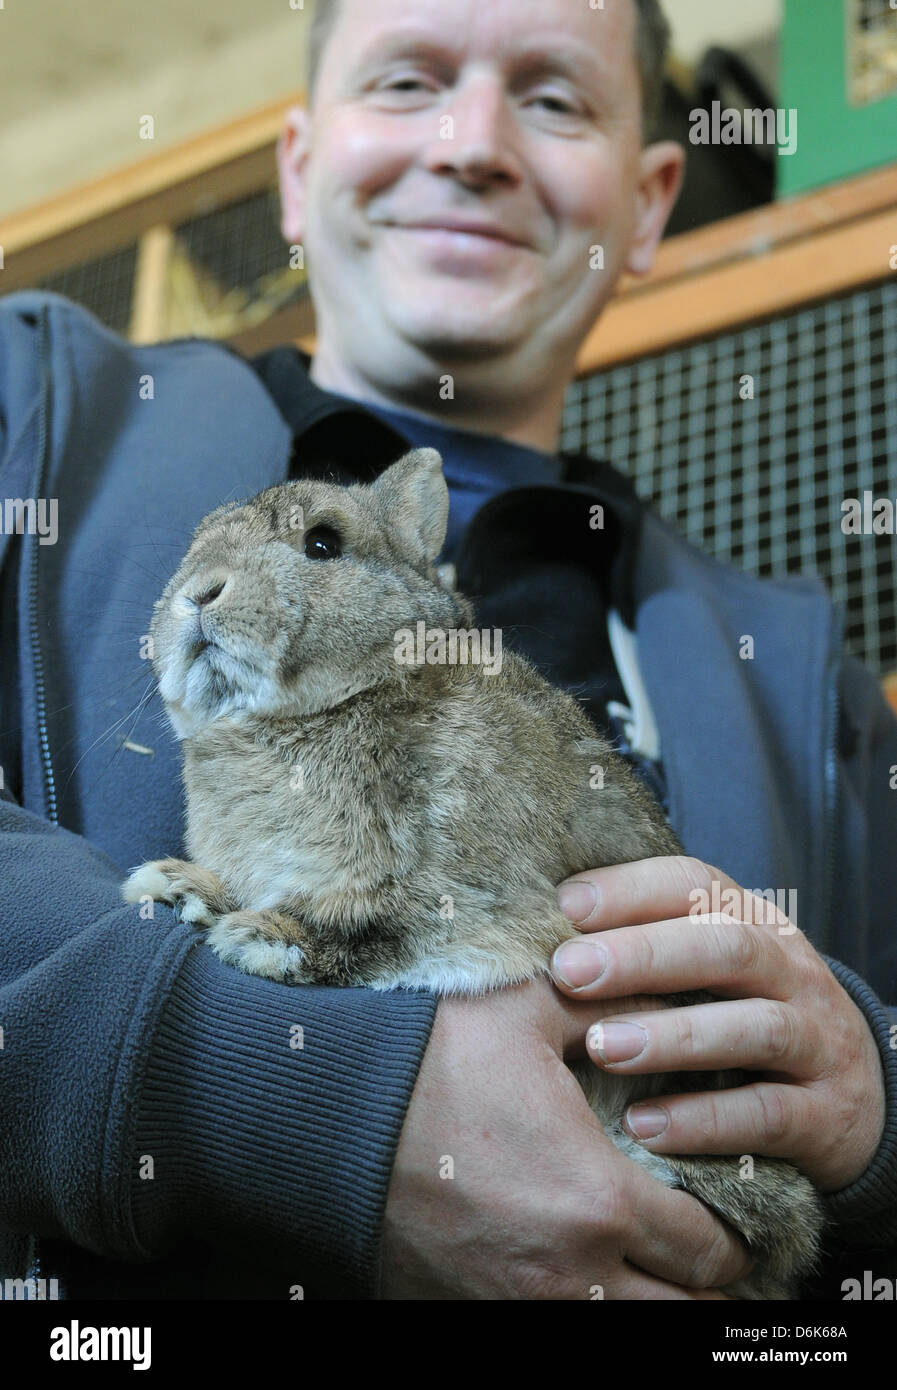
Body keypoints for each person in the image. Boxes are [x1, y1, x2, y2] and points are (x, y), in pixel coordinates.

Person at [0, 0, 894, 1302]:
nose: (472, 142)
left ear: (648, 204)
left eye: (552, 98)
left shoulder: (817, 693)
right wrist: (279, 1095)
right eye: (410, 79)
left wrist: (871, 1109)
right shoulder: (31, 409)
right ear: (299, 174)